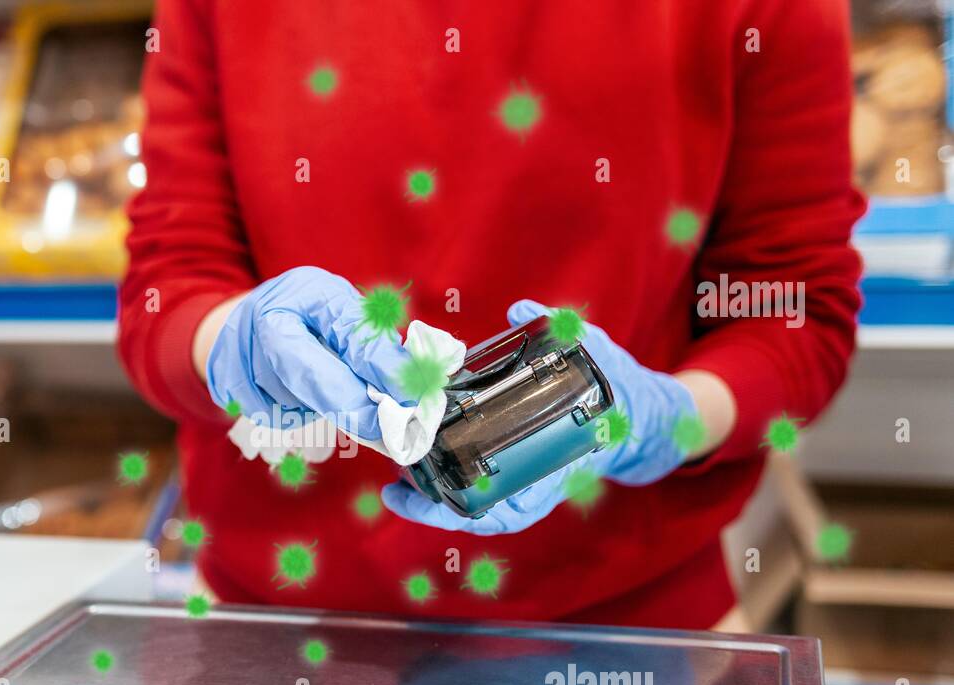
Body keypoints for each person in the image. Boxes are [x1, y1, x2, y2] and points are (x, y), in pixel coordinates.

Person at [118, 0, 864, 630]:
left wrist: (670, 417)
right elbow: (168, 288)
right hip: (275, 631)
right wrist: (232, 342)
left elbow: (794, 311)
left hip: (635, 641)